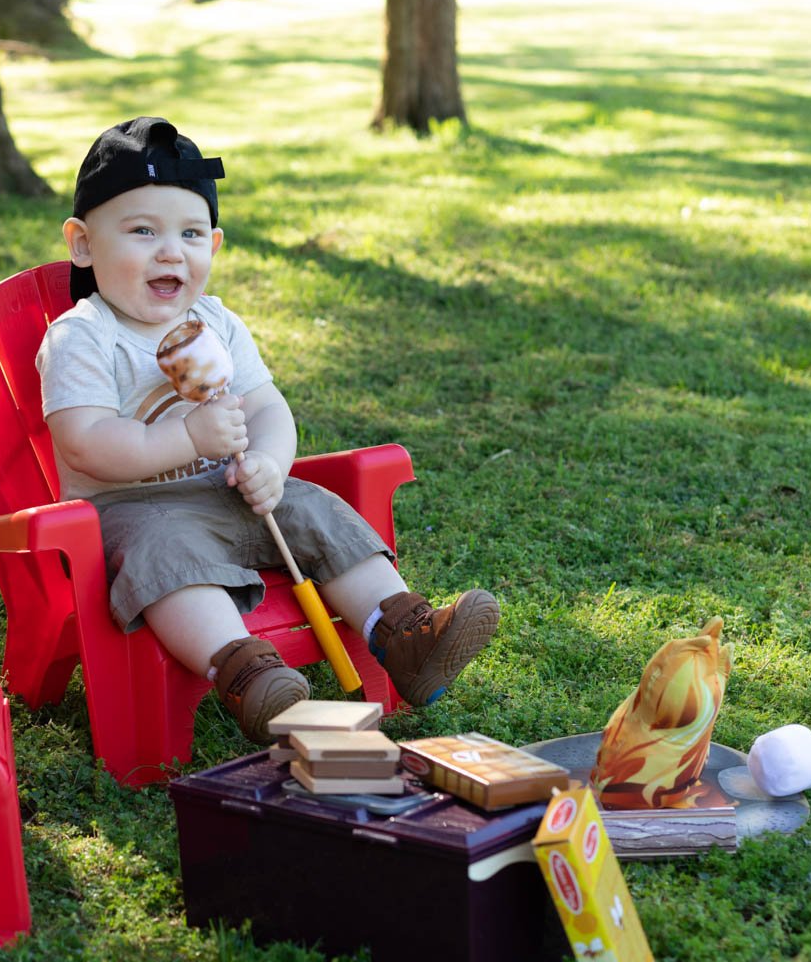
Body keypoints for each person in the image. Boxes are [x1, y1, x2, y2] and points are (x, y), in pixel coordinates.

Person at [36, 116, 500, 742]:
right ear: (83, 244)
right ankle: (246, 672)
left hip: (229, 491)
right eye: (142, 231)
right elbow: (86, 442)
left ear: (214, 245)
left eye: (190, 233)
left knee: (314, 509)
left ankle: (404, 635)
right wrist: (189, 438)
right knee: (167, 557)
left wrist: (271, 465)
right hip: (130, 512)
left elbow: (266, 408)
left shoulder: (215, 323)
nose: (170, 251)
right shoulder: (83, 337)